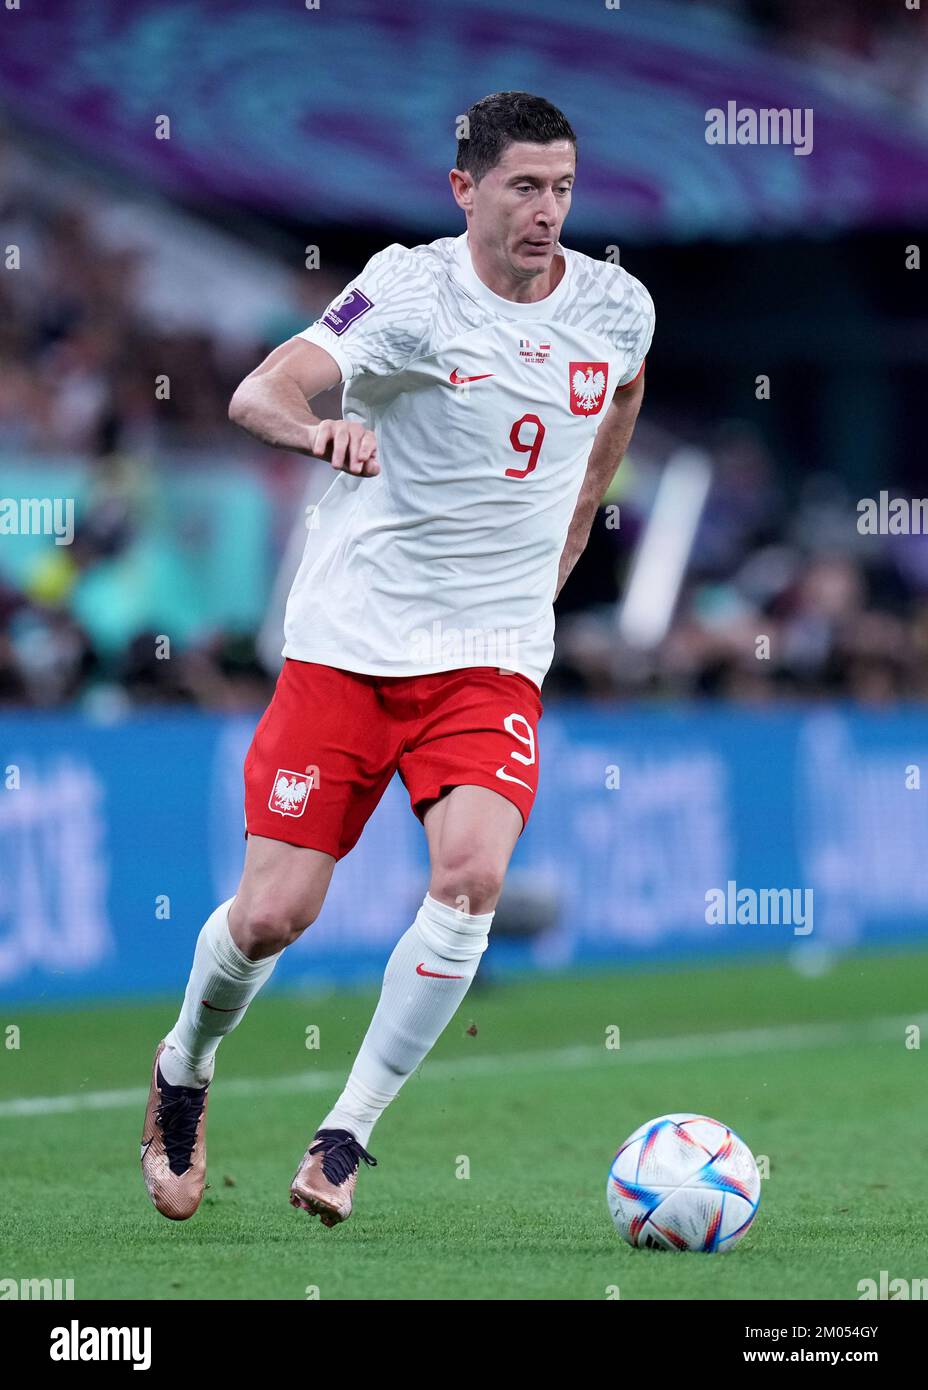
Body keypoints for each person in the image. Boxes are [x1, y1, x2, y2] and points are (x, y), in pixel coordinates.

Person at [140, 90, 654, 1226]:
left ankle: (344, 1134)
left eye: (562, 187)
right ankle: (184, 1066)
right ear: (462, 188)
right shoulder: (410, 292)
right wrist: (316, 428)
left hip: (490, 652)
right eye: (523, 186)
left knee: (470, 875)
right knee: (274, 915)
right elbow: (259, 389)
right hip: (352, 640)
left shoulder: (617, 306)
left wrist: (576, 524)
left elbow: (618, 392)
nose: (547, 211)